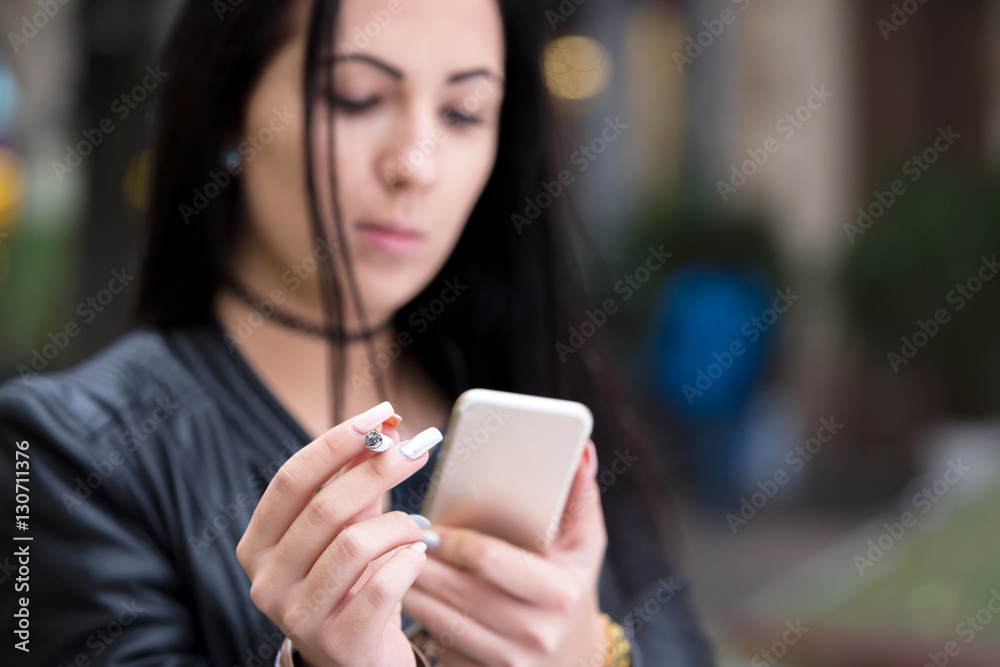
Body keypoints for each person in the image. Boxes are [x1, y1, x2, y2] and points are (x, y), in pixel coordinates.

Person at [0, 0, 715, 665]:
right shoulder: (67, 450)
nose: (415, 163)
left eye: (464, 112)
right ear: (227, 111)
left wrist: (593, 650)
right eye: (357, 98)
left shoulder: (541, 389)